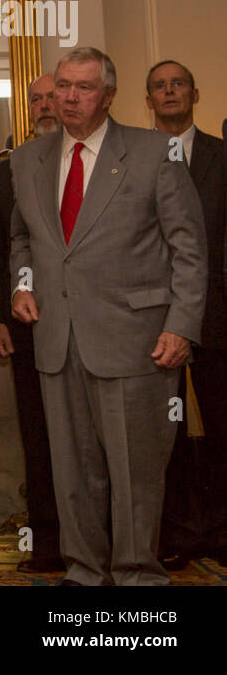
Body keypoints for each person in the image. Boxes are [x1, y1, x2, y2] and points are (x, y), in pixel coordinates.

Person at [10, 47, 206, 585]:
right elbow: (21, 238)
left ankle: (138, 575)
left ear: (110, 95)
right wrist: (22, 287)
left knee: (134, 474)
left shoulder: (154, 151)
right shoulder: (28, 160)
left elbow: (189, 247)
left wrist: (181, 325)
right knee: (72, 472)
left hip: (137, 341)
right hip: (56, 340)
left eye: (83, 88)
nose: (68, 98)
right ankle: (84, 572)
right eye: (62, 87)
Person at [0, 73, 65, 573]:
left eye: (55, 95)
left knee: (93, 440)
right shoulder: (3, 172)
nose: (47, 104)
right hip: (27, 328)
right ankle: (49, 546)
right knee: (40, 438)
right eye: (37, 98)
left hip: (93, 327)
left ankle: (105, 544)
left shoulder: (96, 164)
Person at [144, 60, 227, 568]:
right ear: (147, 99)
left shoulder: (222, 156)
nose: (170, 91)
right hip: (152, 317)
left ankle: (220, 532)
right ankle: (172, 534)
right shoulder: (131, 156)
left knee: (221, 427)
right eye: (160, 86)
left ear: (195, 93)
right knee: (162, 434)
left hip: (219, 315)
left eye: (178, 84)